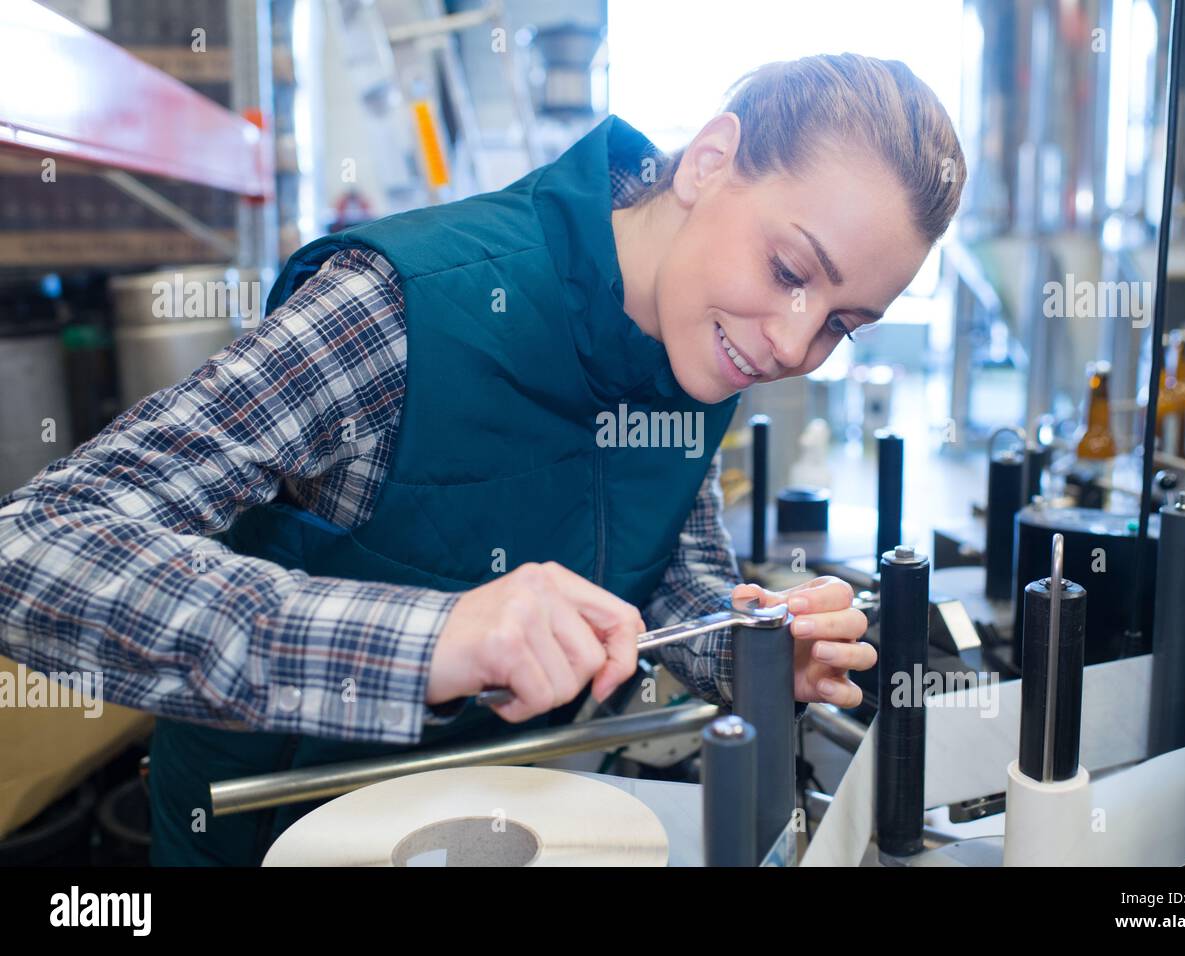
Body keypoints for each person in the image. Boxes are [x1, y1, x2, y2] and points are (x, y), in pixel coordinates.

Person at [0, 53, 965, 865]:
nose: (796, 346)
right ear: (711, 162)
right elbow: (35, 550)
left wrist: (751, 644)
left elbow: (666, 573)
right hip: (274, 841)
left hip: (530, 832)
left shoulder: (704, 341)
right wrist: (431, 640)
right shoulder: (398, 311)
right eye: (792, 273)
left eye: (841, 323)